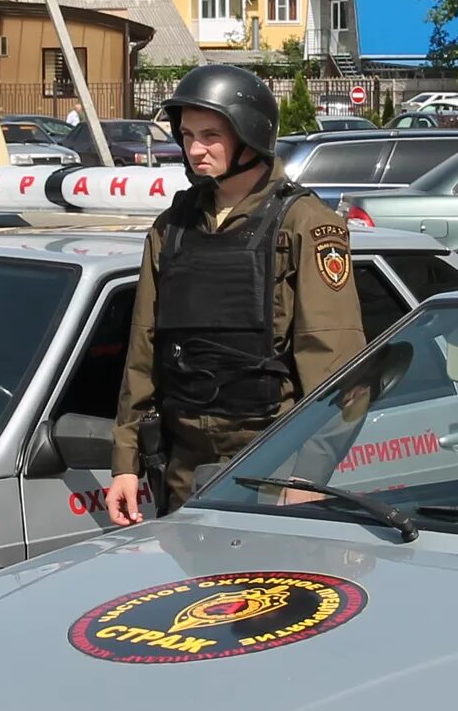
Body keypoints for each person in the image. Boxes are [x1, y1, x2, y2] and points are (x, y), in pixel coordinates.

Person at [104, 65, 363, 523]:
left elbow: (337, 367)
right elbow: (143, 351)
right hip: (183, 464)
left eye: (210, 135)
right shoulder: (173, 227)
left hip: (272, 461)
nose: (195, 149)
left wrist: (308, 474)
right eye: (186, 135)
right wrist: (126, 463)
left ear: (251, 134)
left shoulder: (305, 224)